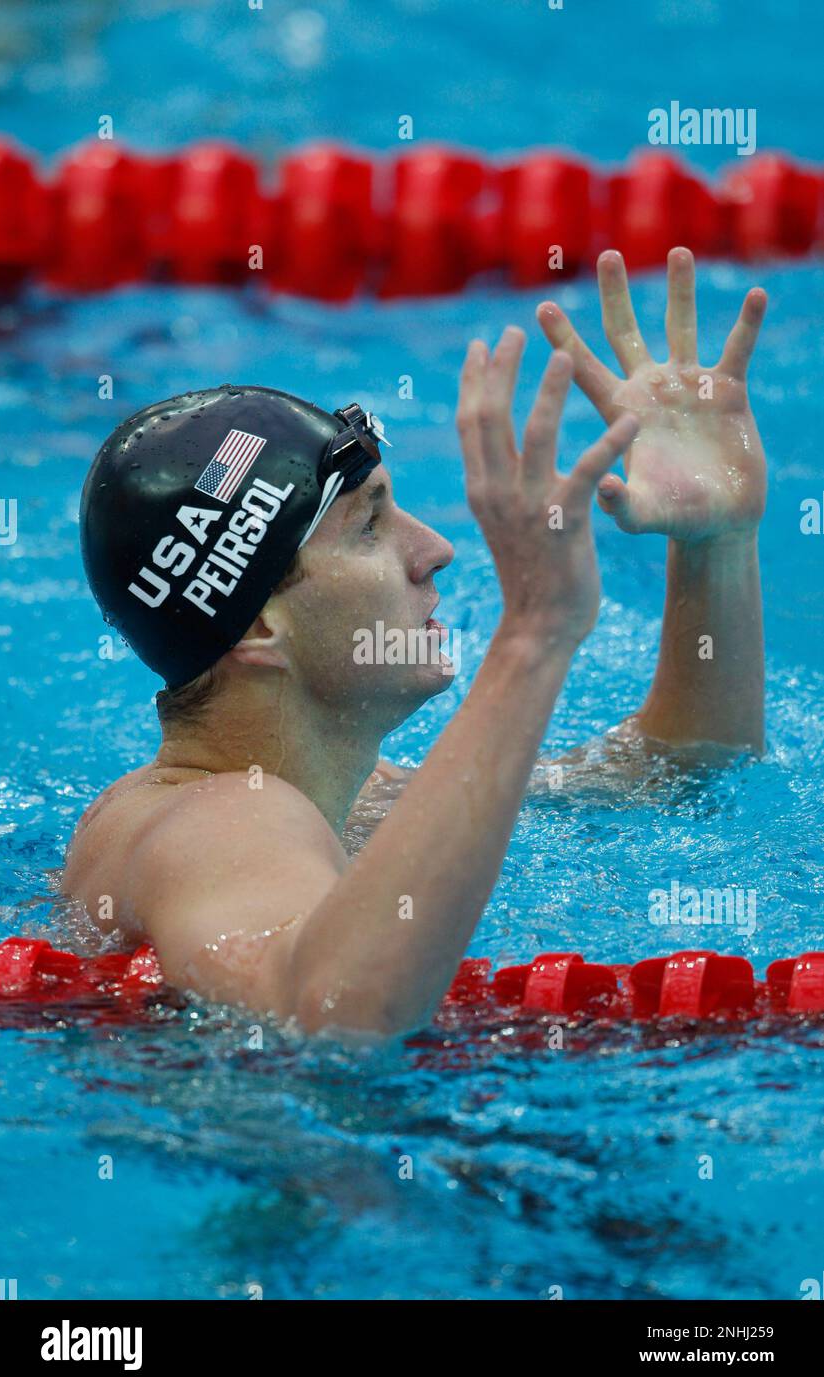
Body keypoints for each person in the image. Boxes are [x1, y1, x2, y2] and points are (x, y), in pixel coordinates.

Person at [60, 247, 767, 1037]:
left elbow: (681, 774)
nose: (434, 550)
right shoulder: (226, 818)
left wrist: (716, 547)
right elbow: (326, 1016)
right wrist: (533, 634)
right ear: (260, 624)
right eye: (369, 526)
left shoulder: (348, 798)